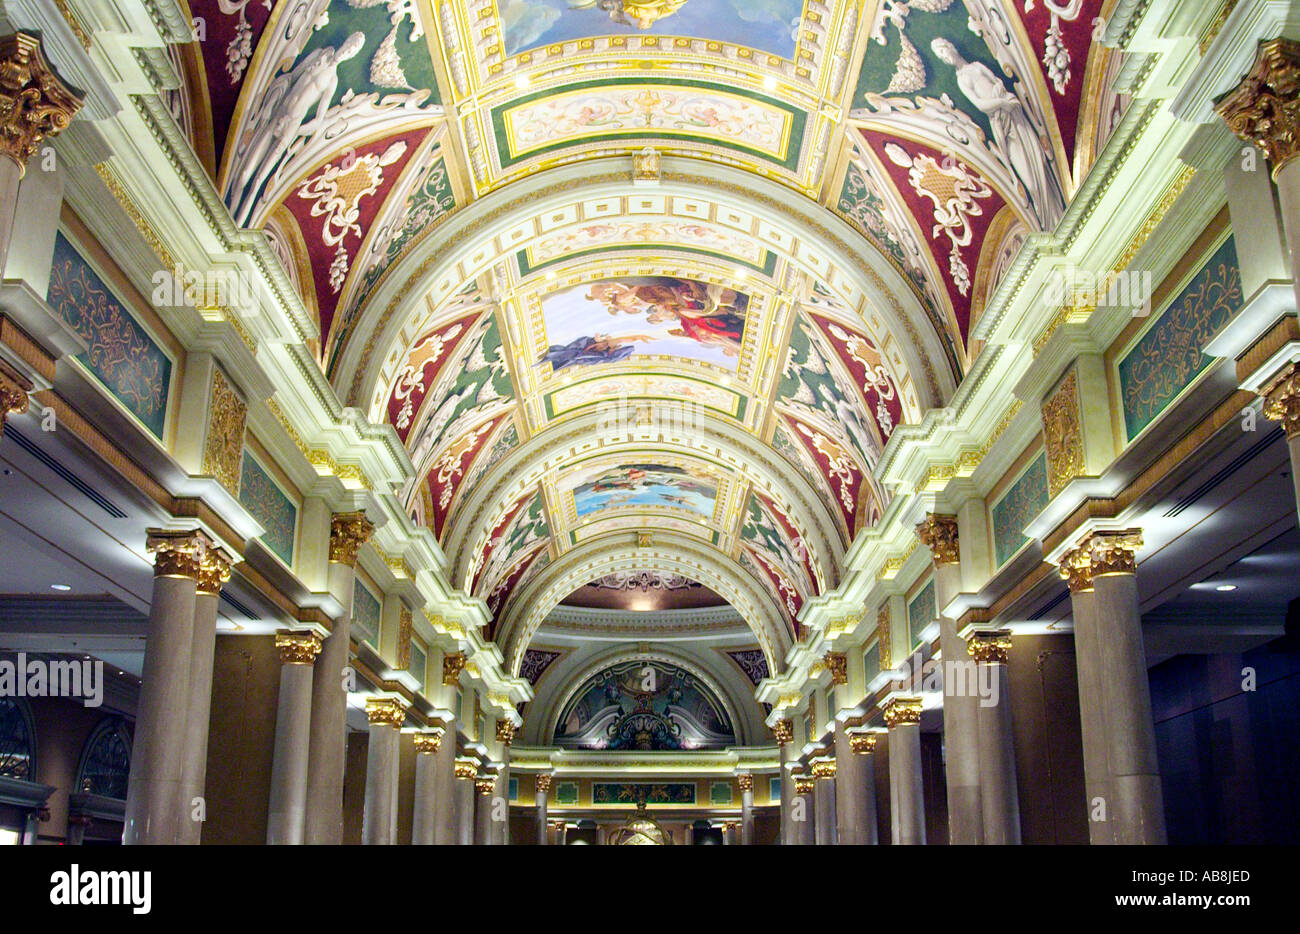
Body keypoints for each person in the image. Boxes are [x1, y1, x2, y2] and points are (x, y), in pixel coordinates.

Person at [227, 32, 367, 227]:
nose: (349, 50)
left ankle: (238, 226)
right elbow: (292, 76)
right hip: (277, 116)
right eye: (350, 44)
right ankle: (226, 215)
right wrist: (270, 104)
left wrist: (297, 130)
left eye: (353, 50)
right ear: (345, 41)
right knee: (243, 174)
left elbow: (318, 119)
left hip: (290, 128)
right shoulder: (318, 55)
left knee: (258, 181)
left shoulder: (332, 81)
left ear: (352, 55)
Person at [930, 38, 1066, 230]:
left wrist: (1001, 93)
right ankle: (1048, 224)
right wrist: (1001, 103)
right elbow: (980, 105)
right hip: (1002, 123)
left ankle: (1059, 213)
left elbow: (997, 81)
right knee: (1031, 184)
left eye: (943, 50)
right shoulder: (961, 79)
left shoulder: (976, 66)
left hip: (1014, 115)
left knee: (1040, 161)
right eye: (940, 55)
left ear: (951, 46)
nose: (944, 56)